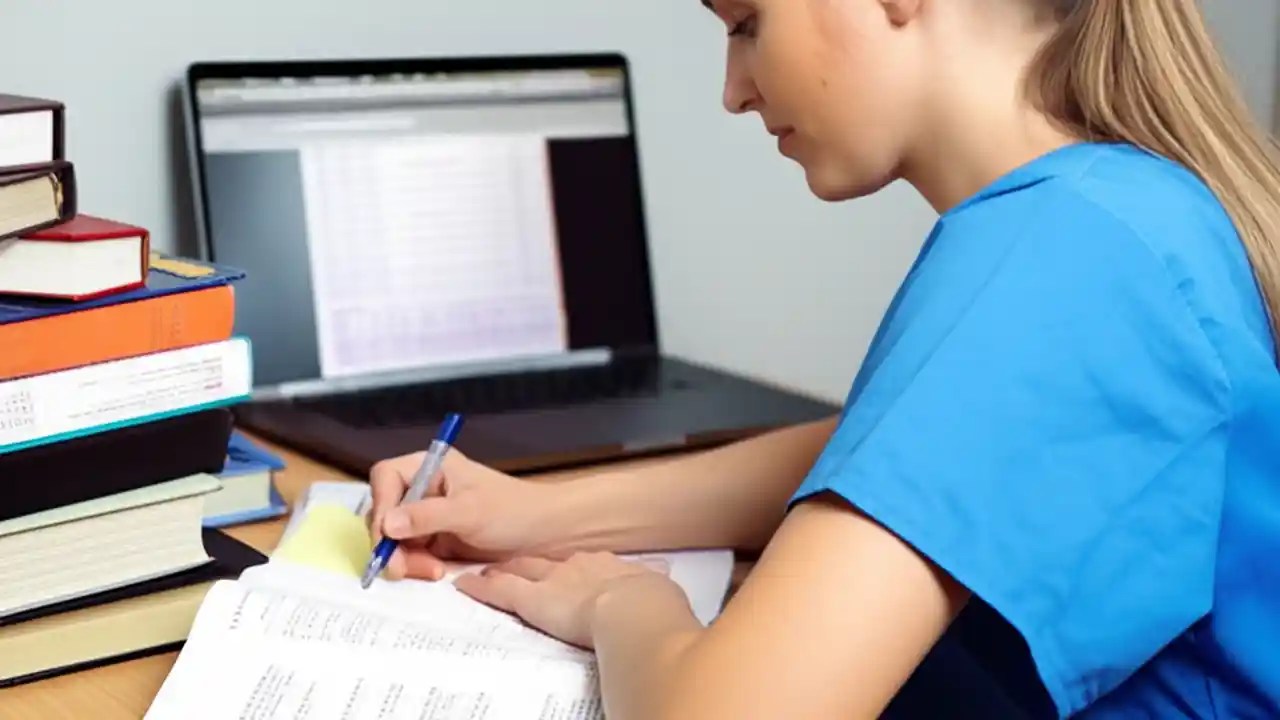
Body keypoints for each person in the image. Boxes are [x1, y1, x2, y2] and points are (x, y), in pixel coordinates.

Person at [368, 0, 1280, 717]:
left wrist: (618, 604)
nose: (735, 89)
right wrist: (534, 515)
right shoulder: (1124, 210)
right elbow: (893, 459)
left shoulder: (1060, 250)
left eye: (747, 25)